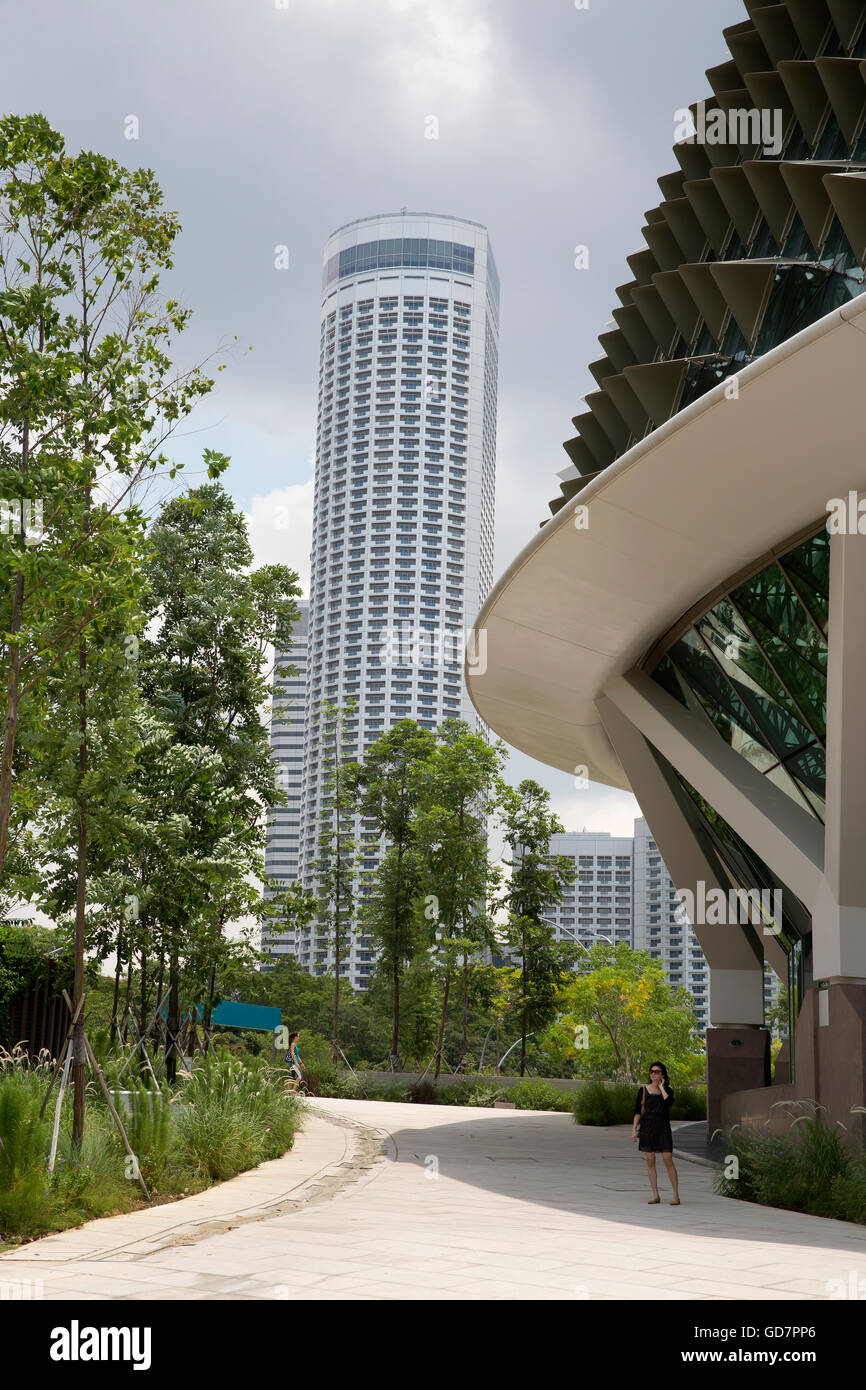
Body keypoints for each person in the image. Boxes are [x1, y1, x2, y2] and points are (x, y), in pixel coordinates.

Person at [632, 1061, 680, 1205]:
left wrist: (661, 1087)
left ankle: (675, 1195)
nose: (653, 1074)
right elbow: (637, 1111)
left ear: (662, 1074)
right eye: (651, 1071)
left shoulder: (668, 1091)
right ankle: (655, 1194)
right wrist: (634, 1129)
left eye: (657, 1071)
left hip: (663, 1129)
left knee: (668, 1159)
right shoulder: (643, 1090)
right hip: (647, 1129)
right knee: (650, 1161)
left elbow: (669, 1103)